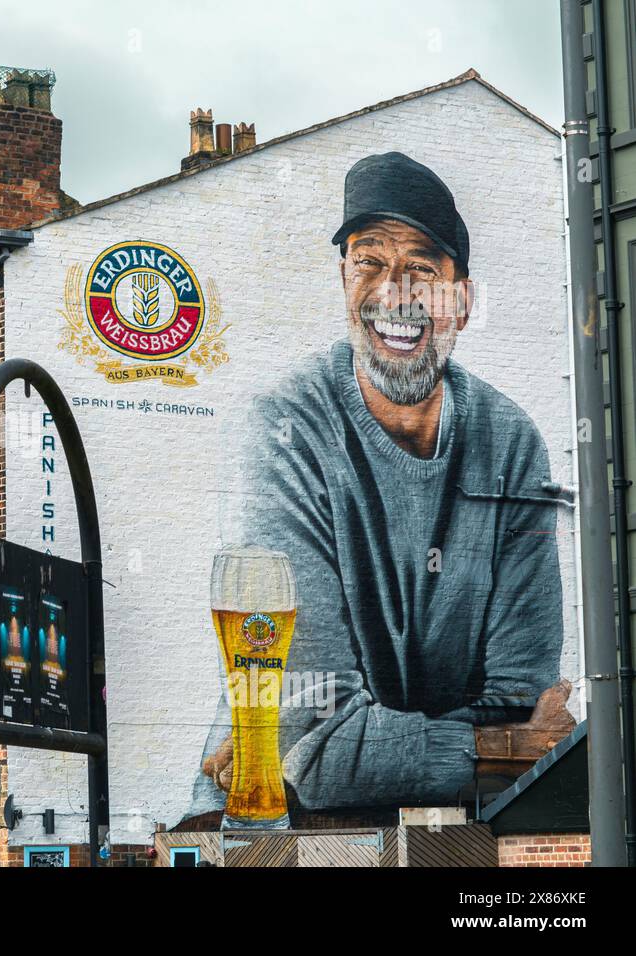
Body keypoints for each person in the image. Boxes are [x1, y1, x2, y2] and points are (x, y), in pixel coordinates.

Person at [192, 152, 574, 814]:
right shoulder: (282, 427)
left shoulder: (512, 442)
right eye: (369, 261)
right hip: (275, 832)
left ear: (462, 301)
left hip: (461, 828)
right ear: (343, 278)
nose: (393, 292)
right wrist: (496, 746)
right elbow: (319, 744)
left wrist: (395, 746)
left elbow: (525, 705)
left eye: (422, 268)